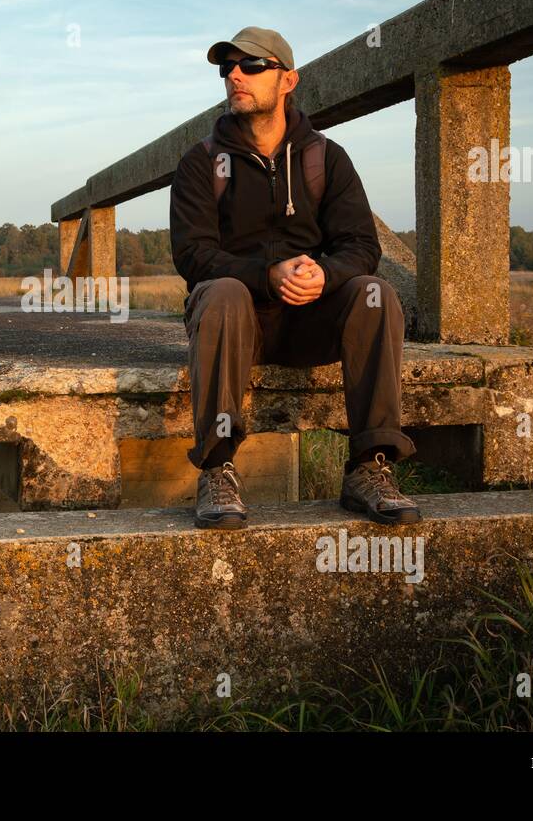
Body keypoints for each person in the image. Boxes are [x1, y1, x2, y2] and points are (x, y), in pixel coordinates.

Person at [169, 26, 421, 530]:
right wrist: (266, 275)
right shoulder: (202, 163)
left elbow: (361, 246)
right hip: (236, 324)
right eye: (228, 68)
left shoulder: (325, 158)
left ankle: (369, 467)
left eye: (252, 65)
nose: (235, 75)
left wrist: (324, 275)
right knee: (220, 291)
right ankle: (218, 469)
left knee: (374, 294)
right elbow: (194, 256)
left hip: (311, 323)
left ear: (288, 80)